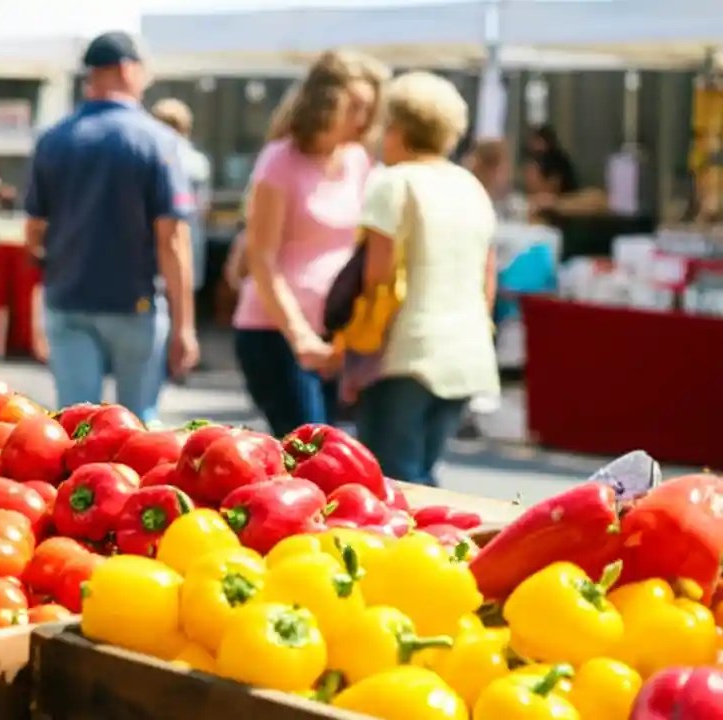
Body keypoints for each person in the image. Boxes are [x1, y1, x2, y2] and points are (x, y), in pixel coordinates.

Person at [24, 31, 198, 424]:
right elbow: (172, 241)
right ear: (126, 69)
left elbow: (34, 232)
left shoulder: (54, 139)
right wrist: (185, 325)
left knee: (74, 425)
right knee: (137, 430)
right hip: (134, 303)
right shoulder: (158, 141)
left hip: (67, 300)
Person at [353, 72, 499, 486]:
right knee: (424, 475)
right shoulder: (470, 186)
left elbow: (377, 278)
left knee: (391, 483)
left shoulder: (393, 183)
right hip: (466, 353)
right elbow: (487, 276)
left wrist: (356, 357)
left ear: (397, 129)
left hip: (405, 353)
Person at [231, 51, 386, 437]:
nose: (363, 119)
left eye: (368, 108)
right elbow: (261, 259)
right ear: (326, 103)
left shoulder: (357, 160)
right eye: (355, 107)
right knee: (310, 448)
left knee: (322, 447)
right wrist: (299, 335)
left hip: (331, 335)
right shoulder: (279, 160)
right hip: (277, 332)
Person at [151, 98, 212, 294]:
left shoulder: (157, 158)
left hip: (157, 245)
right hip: (189, 240)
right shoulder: (198, 161)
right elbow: (203, 206)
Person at [524, 124, 579, 195]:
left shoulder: (556, 160)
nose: (532, 144)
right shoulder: (537, 160)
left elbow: (553, 187)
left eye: (536, 140)